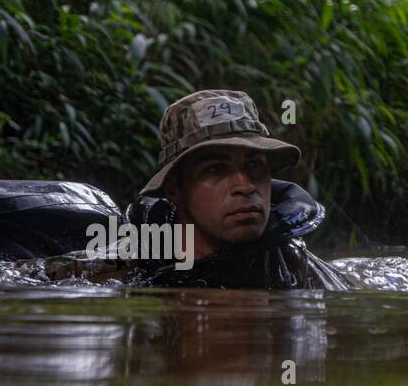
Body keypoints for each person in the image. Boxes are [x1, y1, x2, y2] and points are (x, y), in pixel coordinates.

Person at [40, 89, 351, 290]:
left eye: (255, 167)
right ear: (175, 188)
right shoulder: (124, 264)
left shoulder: (294, 267)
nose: (244, 186)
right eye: (216, 169)